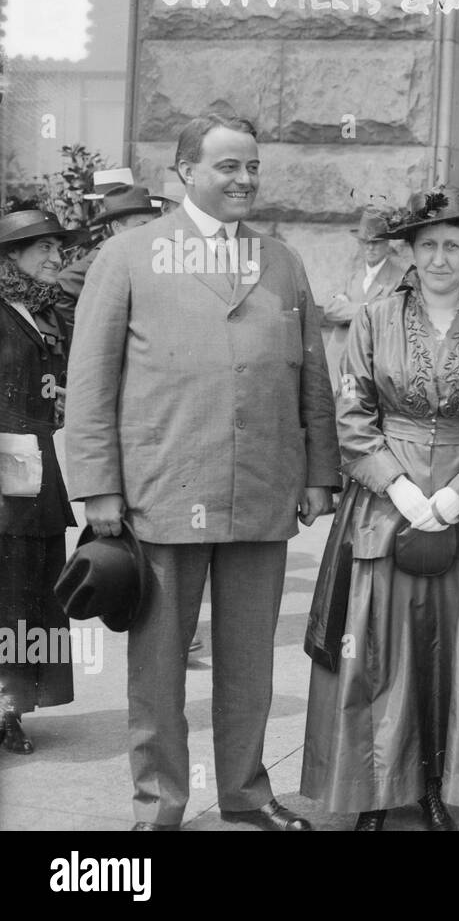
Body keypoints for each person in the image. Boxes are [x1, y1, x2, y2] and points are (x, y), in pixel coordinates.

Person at [65, 113, 340, 831]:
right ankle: (159, 804)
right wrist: (99, 487)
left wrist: (319, 472)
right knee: (157, 669)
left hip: (262, 491)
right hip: (162, 492)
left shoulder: (283, 262)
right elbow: (90, 382)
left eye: (252, 165)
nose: (245, 178)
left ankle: (248, 795)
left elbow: (313, 377)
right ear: (185, 171)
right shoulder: (129, 256)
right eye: (228, 166)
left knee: (249, 663)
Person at [300, 189, 459, 832]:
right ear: (410, 252)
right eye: (427, 245)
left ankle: (434, 784)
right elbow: (352, 410)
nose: (440, 257)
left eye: (454, 244)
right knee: (378, 649)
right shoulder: (374, 320)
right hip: (384, 507)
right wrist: (398, 488)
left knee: (457, 652)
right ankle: (373, 791)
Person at [0, 210, 80, 754]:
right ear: (10, 259)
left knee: (34, 588)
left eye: (58, 247)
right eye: (42, 248)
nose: (56, 257)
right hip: (6, 468)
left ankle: (16, 705)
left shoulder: (47, 313)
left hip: (39, 468)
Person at [55, 178, 162, 331]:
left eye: (152, 224)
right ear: (117, 227)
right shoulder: (105, 255)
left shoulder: (138, 252)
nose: (150, 231)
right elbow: (62, 286)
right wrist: (87, 333)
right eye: (142, 225)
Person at [318, 209, 405, 394]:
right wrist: (369, 309)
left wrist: (347, 306)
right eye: (365, 242)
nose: (370, 248)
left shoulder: (399, 278)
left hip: (372, 362)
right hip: (340, 361)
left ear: (387, 242)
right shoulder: (352, 274)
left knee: (359, 414)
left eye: (376, 242)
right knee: (337, 412)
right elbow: (330, 309)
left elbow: (389, 317)